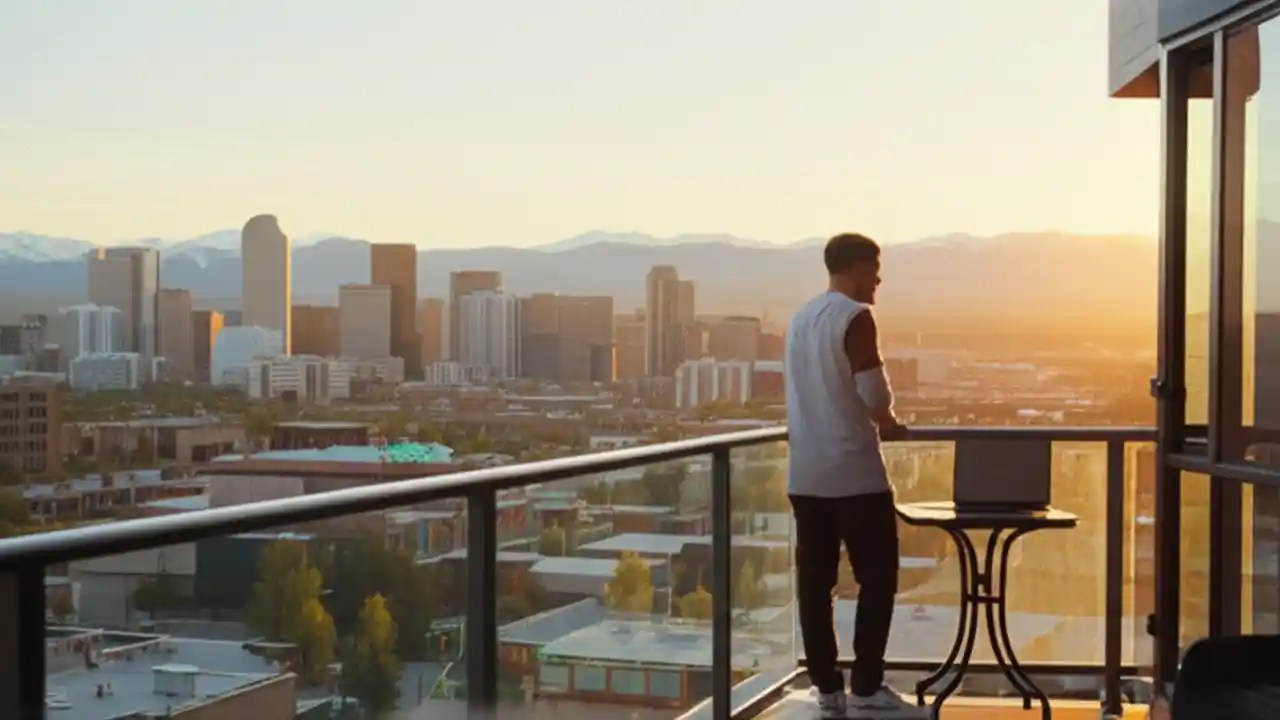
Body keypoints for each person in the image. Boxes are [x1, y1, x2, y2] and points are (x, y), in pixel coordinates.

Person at [784, 232, 913, 718]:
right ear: (858, 267)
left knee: (815, 583)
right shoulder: (855, 317)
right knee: (877, 578)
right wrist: (888, 424)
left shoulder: (800, 319)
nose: (878, 279)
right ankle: (866, 685)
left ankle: (827, 688)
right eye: (875, 269)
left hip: (806, 474)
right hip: (854, 473)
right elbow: (874, 394)